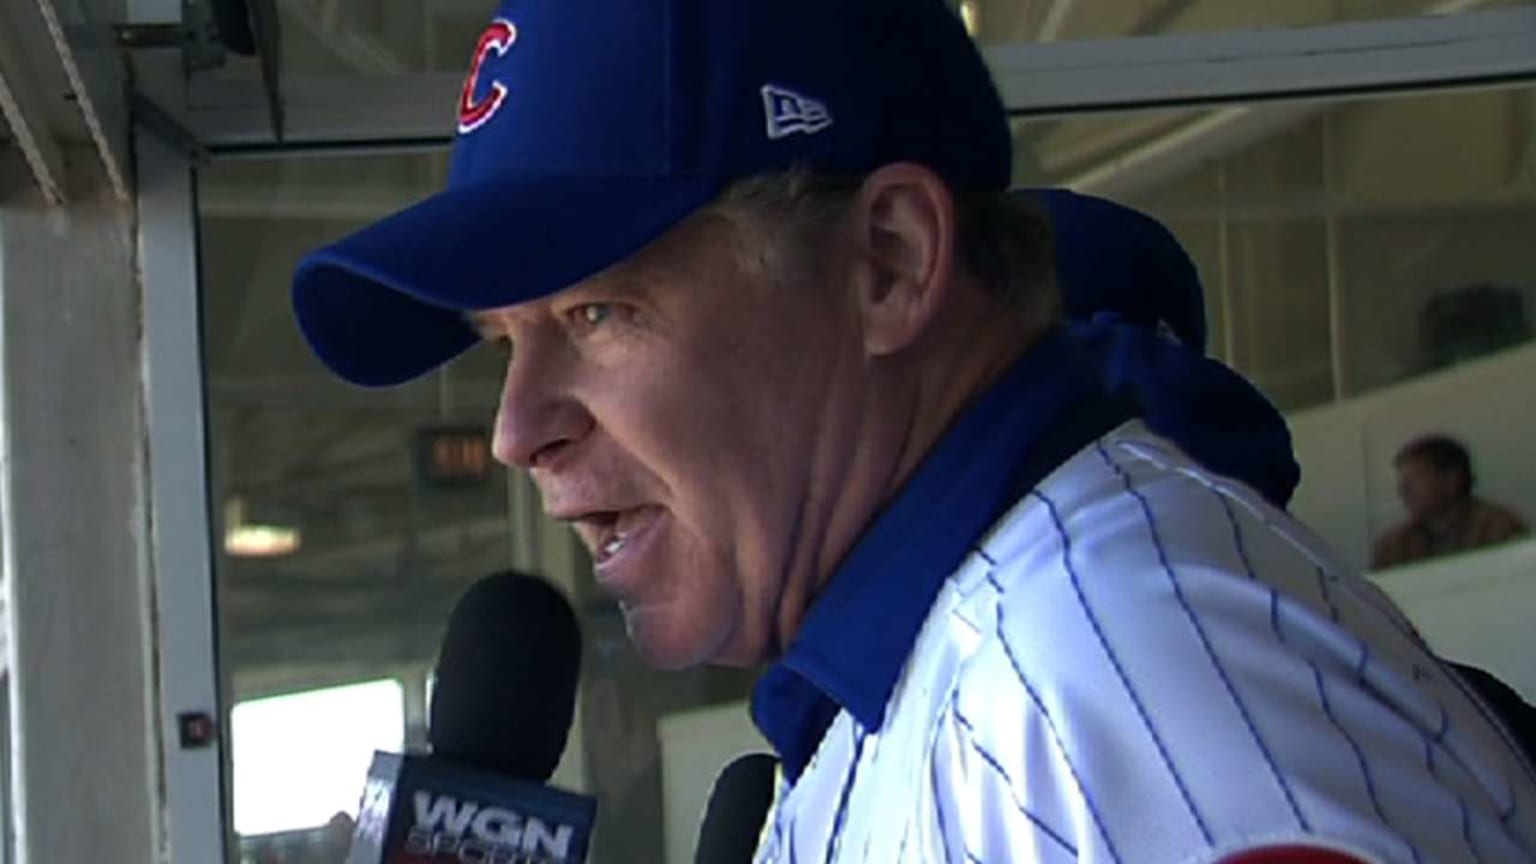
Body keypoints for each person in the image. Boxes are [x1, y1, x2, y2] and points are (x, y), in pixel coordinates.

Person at [291, 1, 1536, 860]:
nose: (516, 431)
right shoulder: (924, 677)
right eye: (509, 340)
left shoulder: (1099, 699)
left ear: (888, 262)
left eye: (598, 309)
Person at [1372, 435, 1528, 570]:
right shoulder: (1393, 547)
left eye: (1415, 477)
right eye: (1402, 481)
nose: (1404, 489)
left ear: (1451, 479)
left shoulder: (1498, 527)